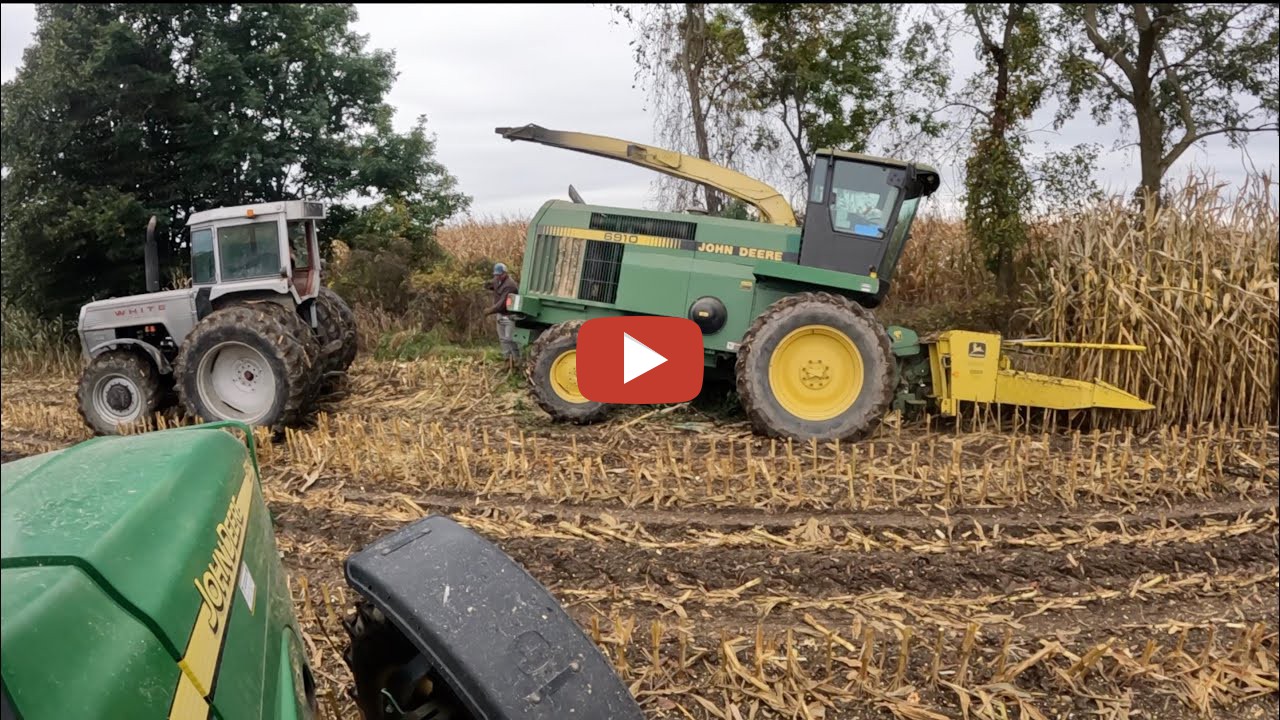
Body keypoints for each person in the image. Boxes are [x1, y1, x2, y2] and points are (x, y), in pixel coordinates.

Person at [485, 262, 521, 372]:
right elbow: (492, 285)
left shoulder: (510, 285)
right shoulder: (497, 280)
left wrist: (489, 311)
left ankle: (517, 362)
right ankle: (506, 361)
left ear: (505, 273)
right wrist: (486, 285)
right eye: (496, 275)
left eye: (499, 274)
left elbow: (502, 303)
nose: (497, 276)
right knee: (502, 339)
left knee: (510, 339)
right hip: (500, 315)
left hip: (509, 315)